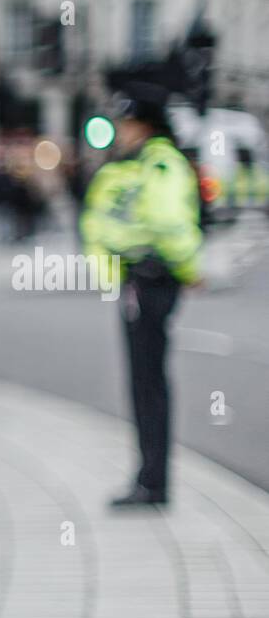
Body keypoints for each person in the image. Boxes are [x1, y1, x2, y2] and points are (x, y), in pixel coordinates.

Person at [81, 78, 203, 507]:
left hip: (151, 279)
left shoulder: (158, 164)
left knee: (147, 383)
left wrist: (188, 268)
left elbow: (170, 224)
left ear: (147, 124)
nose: (122, 129)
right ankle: (149, 477)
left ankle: (153, 482)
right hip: (135, 279)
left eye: (129, 122)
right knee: (143, 381)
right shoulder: (129, 164)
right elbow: (98, 222)